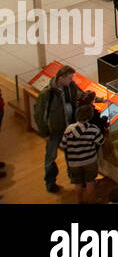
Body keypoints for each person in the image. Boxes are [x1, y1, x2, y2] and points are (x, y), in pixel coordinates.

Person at [36, 64, 78, 194]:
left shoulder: (70, 86)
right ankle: (50, 181)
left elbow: (81, 95)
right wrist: (44, 132)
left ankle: (74, 178)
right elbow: (39, 114)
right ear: (61, 78)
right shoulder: (47, 93)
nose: (72, 80)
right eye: (70, 78)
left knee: (70, 155)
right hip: (54, 131)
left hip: (68, 128)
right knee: (51, 157)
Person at [60, 102, 105, 203]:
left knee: (78, 184)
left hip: (74, 162)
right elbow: (101, 141)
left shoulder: (69, 130)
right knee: (90, 183)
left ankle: (79, 201)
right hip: (89, 160)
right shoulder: (93, 129)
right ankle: (91, 201)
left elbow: (63, 145)